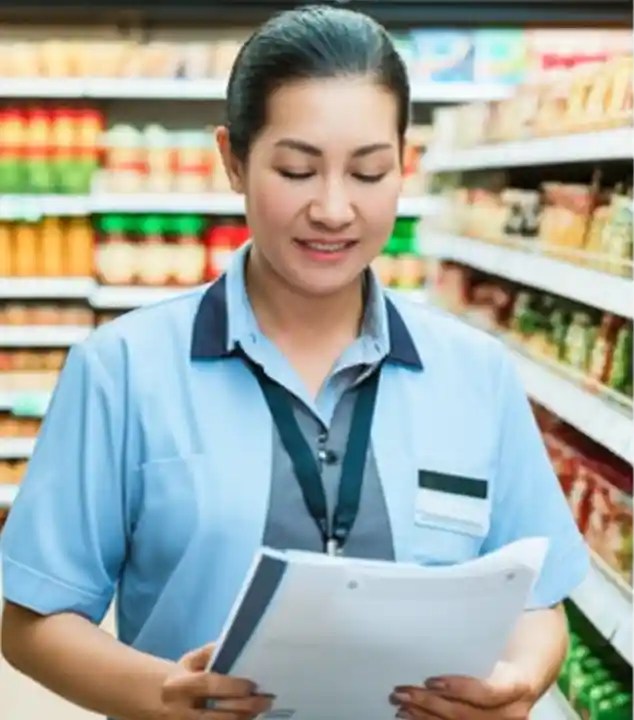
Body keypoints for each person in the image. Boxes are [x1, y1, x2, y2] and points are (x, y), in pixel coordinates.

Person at [0, 6, 589, 720]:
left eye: (369, 172)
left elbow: (538, 599)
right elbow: (32, 620)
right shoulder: (122, 371)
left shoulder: (476, 373)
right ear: (233, 159)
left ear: (404, 164)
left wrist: (518, 682)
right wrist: (160, 696)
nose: (335, 208)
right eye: (297, 169)